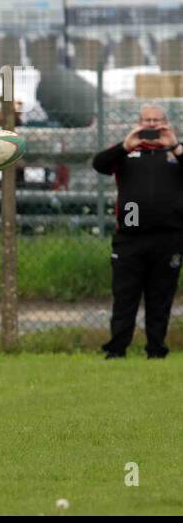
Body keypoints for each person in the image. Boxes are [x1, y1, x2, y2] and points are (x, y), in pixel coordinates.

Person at [92, 103, 183, 359]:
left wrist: (174, 146)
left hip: (168, 238)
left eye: (157, 120)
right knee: (125, 297)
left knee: (160, 298)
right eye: (147, 120)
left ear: (166, 122)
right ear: (138, 123)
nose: (152, 125)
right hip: (130, 238)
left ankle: (156, 350)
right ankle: (117, 349)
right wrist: (125, 145)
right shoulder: (127, 152)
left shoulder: (175, 152)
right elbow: (98, 164)